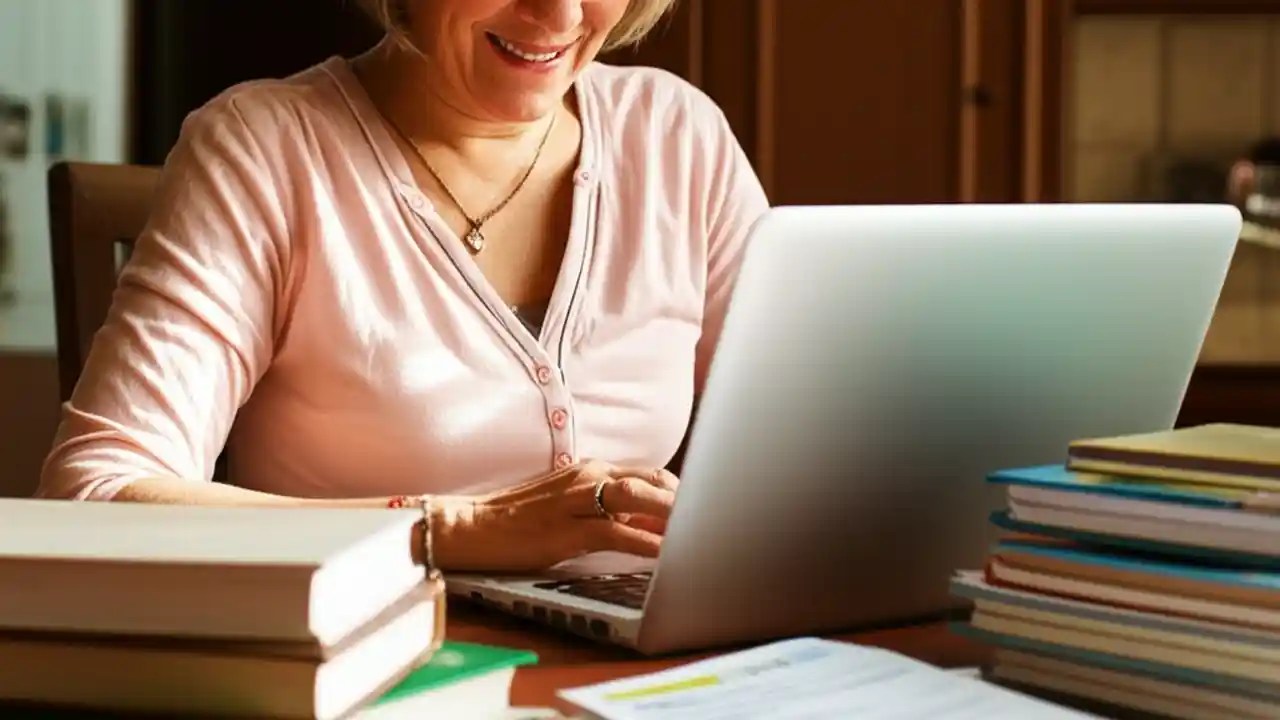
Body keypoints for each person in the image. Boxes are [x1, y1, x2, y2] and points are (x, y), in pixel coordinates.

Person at [35, 0, 770, 574]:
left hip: (646, 679)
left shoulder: (678, 136)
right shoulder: (265, 151)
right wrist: (454, 529)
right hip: (365, 671)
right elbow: (94, 493)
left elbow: (820, 444)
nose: (559, 18)